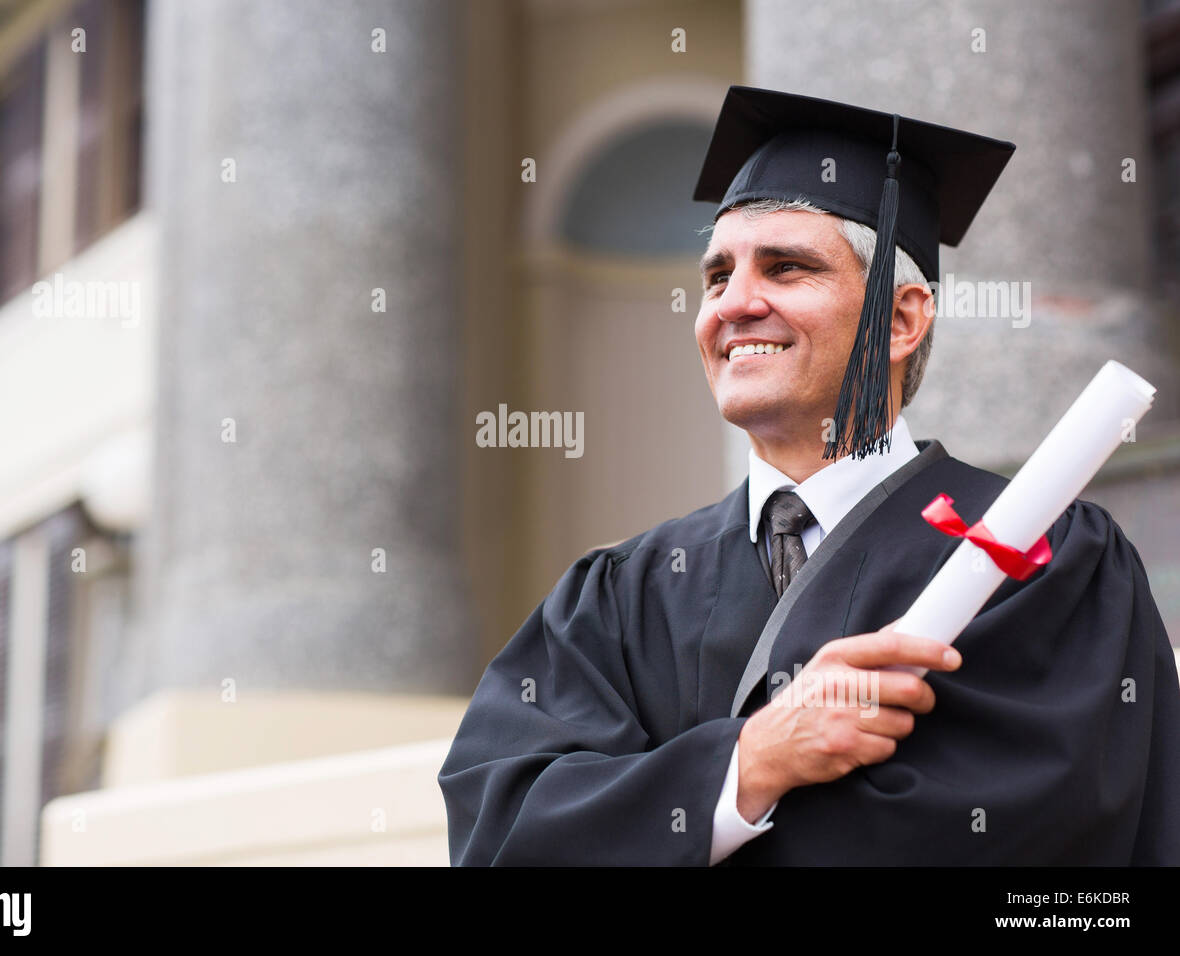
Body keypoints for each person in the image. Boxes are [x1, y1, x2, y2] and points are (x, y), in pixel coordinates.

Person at [438, 86, 1180, 866]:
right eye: (717, 276)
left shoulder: (1039, 558)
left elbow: (1037, 851)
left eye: (786, 268)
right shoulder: (624, 594)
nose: (735, 303)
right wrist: (751, 763)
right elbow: (503, 830)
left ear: (900, 320)